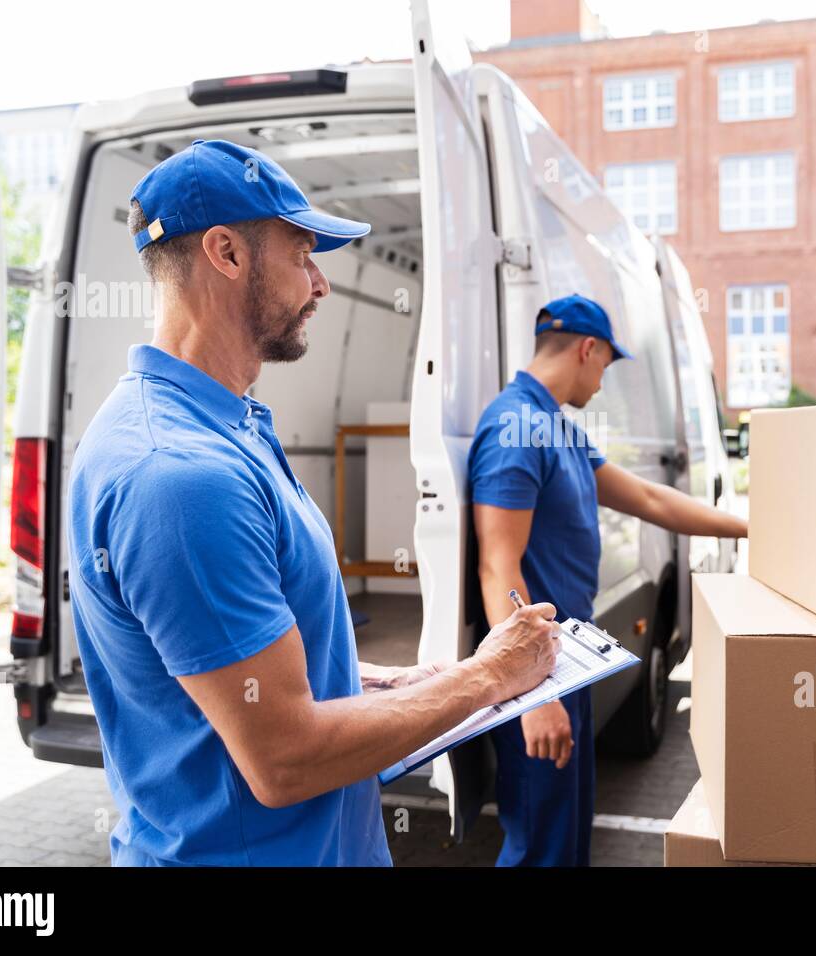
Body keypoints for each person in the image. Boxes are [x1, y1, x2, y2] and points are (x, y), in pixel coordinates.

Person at [67, 139, 561, 866]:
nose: (321, 284)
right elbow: (285, 758)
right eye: (301, 255)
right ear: (227, 253)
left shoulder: (224, 425)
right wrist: (488, 677)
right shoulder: (179, 476)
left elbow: (231, 672)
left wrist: (391, 681)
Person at [468, 294, 748, 866]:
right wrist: (531, 693)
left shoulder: (556, 428)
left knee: (567, 840)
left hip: (569, 659)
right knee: (538, 847)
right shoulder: (513, 428)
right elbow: (497, 564)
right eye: (605, 366)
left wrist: (751, 526)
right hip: (537, 669)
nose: (601, 382)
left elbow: (649, 498)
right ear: (587, 349)